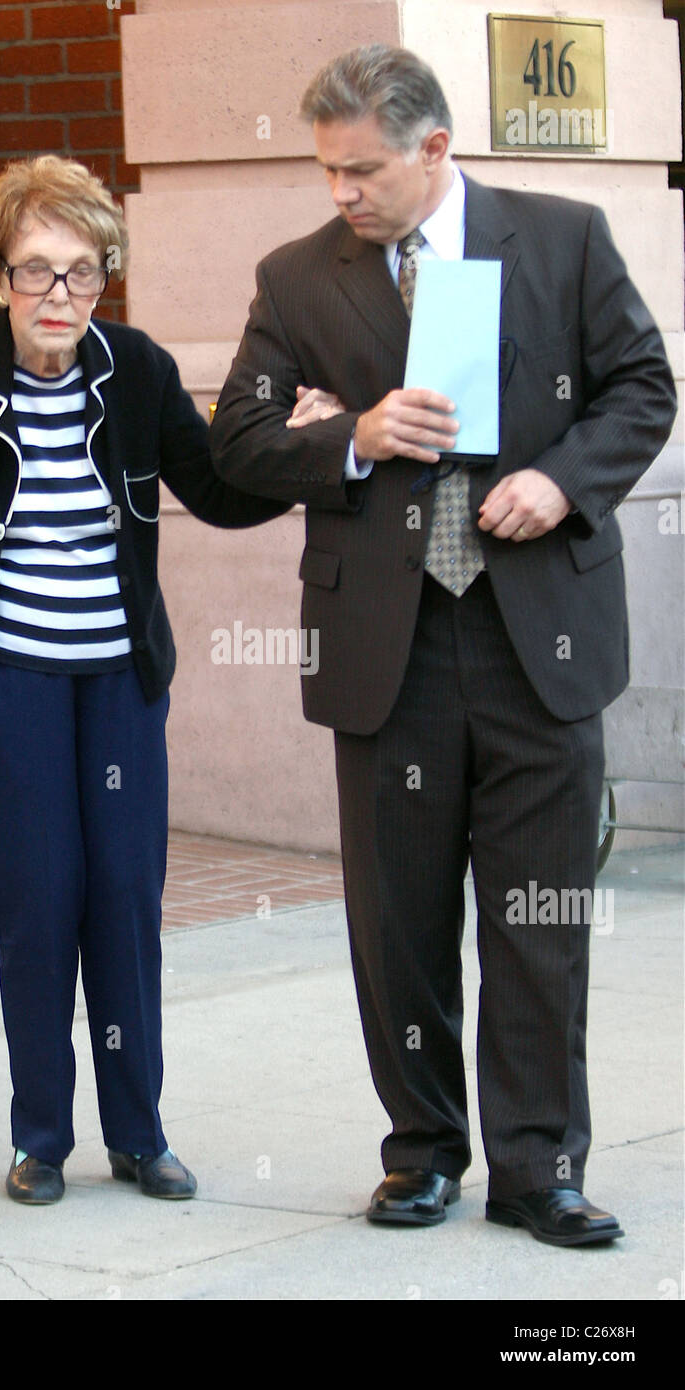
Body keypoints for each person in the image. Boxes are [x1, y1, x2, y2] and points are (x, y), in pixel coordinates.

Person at [210, 46, 677, 1245]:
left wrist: (562, 484)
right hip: (387, 646)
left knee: (538, 913)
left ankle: (538, 1167)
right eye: (324, 171)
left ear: (433, 148)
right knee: (398, 921)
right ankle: (420, 1153)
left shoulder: (561, 238)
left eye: (360, 170)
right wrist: (353, 438)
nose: (339, 195)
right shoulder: (298, 277)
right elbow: (238, 446)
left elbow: (639, 386)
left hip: (539, 638)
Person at [0, 154, 296, 1206]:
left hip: (118, 679)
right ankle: (41, 1135)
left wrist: (301, 445)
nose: (57, 296)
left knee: (123, 899)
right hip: (7, 679)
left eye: (80, 272)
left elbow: (218, 488)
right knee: (39, 900)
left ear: (105, 276)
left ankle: (139, 1131)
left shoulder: (137, 371)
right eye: (34, 272)